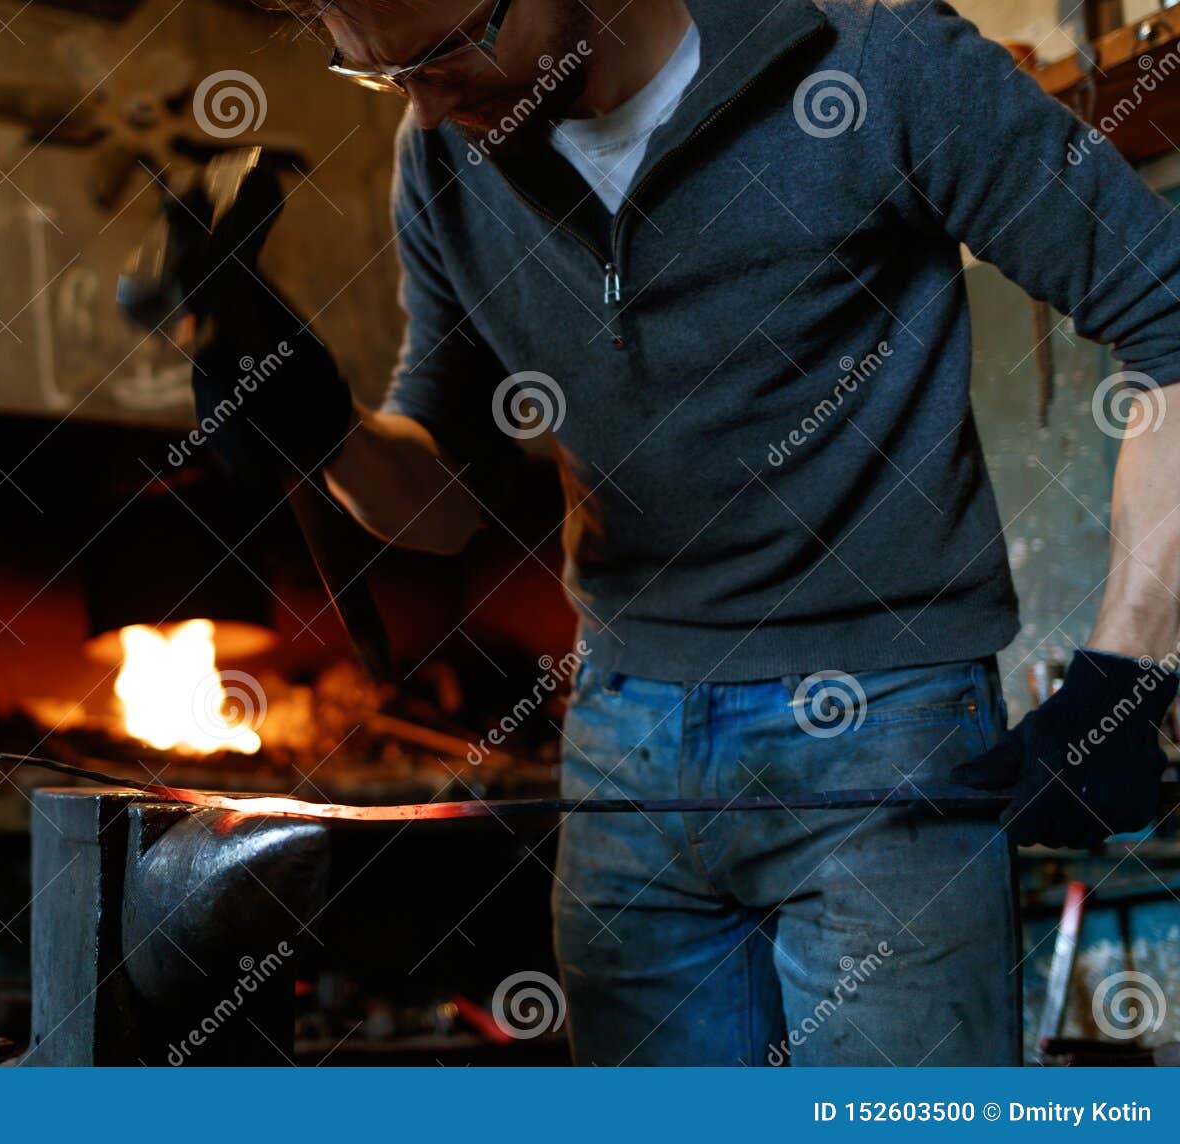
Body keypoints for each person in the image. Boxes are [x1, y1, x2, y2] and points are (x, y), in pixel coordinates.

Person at [194, 0, 1180, 1064]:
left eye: (441, 54)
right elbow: (441, 510)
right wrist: (326, 432)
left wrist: (1123, 678)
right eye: (377, 77)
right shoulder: (443, 154)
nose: (424, 111)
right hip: (626, 737)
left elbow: (1166, 314)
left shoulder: (872, 61)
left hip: (884, 721)